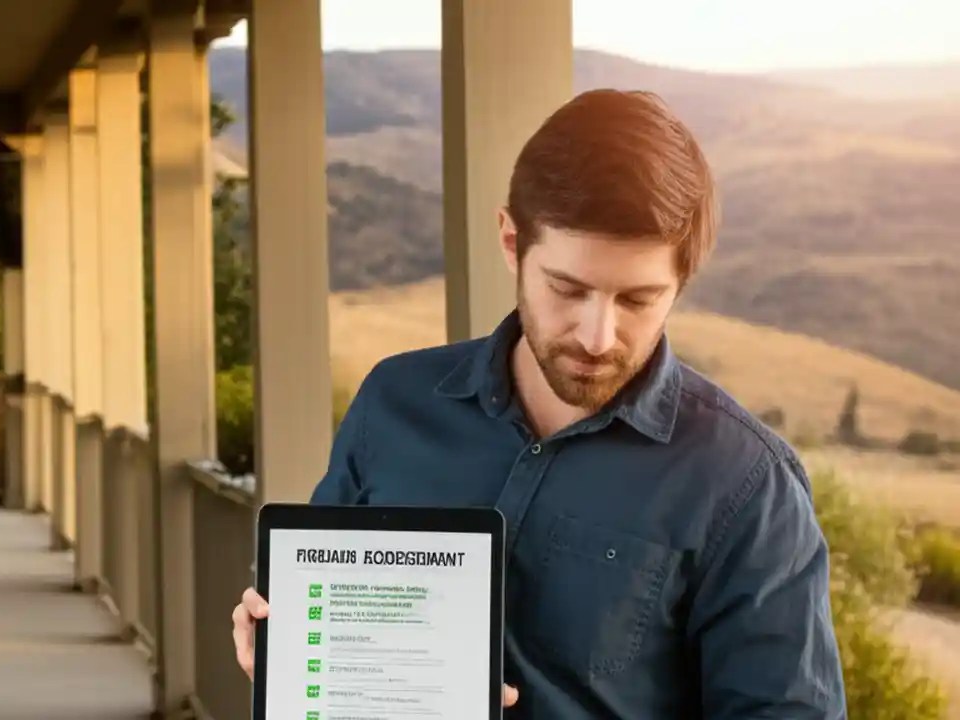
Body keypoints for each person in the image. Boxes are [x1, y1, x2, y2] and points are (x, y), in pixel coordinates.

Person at [231, 88, 846, 718]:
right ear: (510, 241)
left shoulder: (746, 484)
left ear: (681, 283)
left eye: (637, 300)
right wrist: (286, 652)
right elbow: (321, 621)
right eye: (567, 288)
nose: (597, 337)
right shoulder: (393, 404)